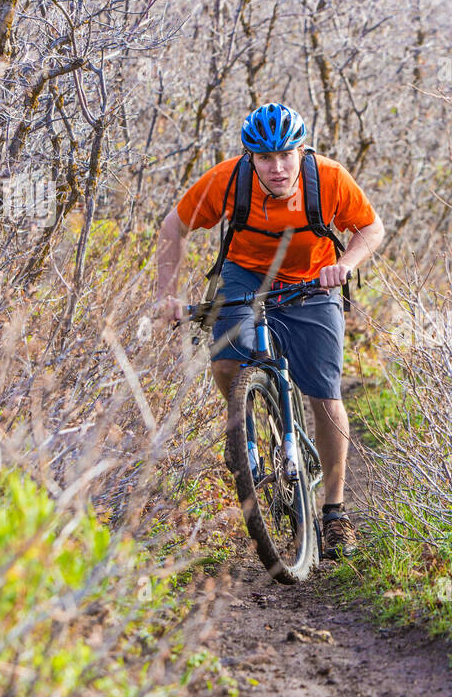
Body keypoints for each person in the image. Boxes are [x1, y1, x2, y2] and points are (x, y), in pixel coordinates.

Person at [154, 102, 385, 559]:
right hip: (245, 277)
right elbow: (173, 227)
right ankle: (242, 425)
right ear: (249, 157)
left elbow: (371, 229)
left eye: (286, 155)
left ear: (301, 151)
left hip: (313, 281)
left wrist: (343, 266)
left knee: (325, 393)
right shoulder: (226, 180)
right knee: (224, 360)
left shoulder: (330, 179)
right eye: (264, 158)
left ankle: (335, 512)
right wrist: (166, 295)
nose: (277, 168)